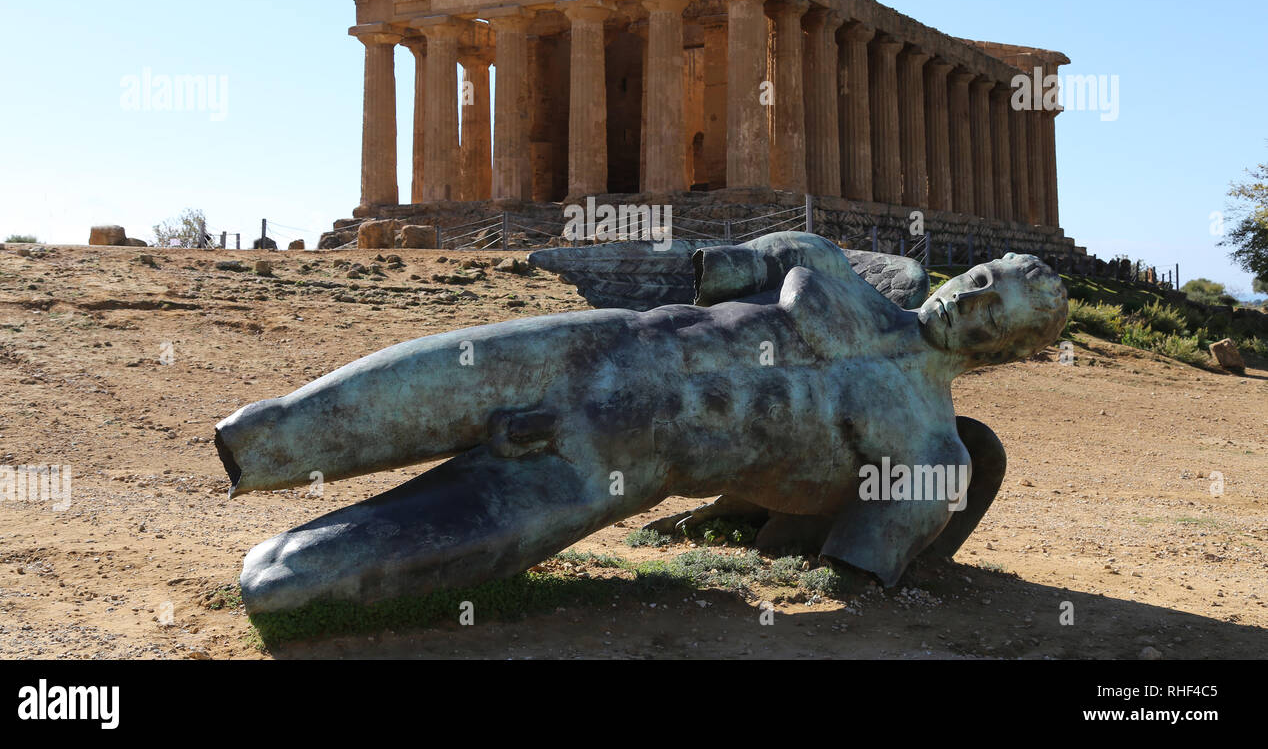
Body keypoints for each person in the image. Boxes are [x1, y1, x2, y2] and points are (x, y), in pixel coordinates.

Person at [215, 233, 1067, 614]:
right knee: (278, 427)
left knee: (286, 580)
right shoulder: (831, 269)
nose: (974, 298)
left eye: (999, 312)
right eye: (985, 277)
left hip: (625, 459)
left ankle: (307, 590)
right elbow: (712, 270)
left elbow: (848, 565)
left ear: (1013, 352)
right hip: (591, 349)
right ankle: (255, 452)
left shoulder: (932, 452)